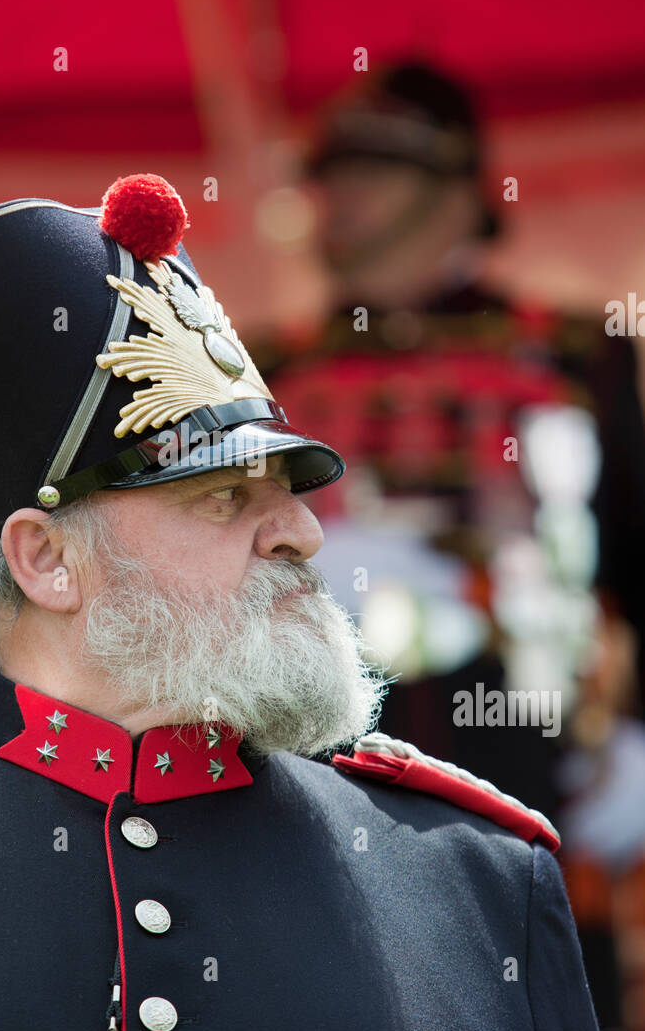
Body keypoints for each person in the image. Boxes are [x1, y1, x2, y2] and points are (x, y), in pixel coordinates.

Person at [0, 174, 610, 1031]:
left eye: (289, 490)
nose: (303, 533)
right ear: (46, 560)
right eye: (224, 496)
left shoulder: (480, 879)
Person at [251, 62, 645, 824]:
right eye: (331, 172)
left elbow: (636, 555)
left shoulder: (574, 352)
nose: (339, 195)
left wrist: (640, 733)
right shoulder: (264, 364)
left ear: (458, 189)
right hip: (316, 760)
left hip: (536, 753)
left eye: (374, 169)